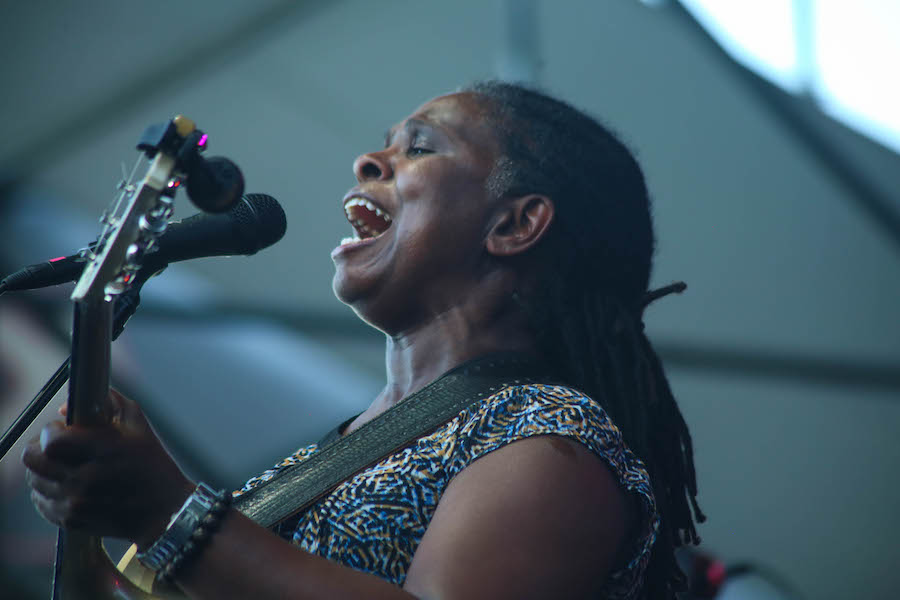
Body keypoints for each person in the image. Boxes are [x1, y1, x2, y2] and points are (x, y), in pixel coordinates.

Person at [23, 81, 704, 599]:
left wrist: (169, 512)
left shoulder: (554, 439)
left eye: (419, 147)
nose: (368, 161)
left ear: (515, 225)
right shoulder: (340, 451)